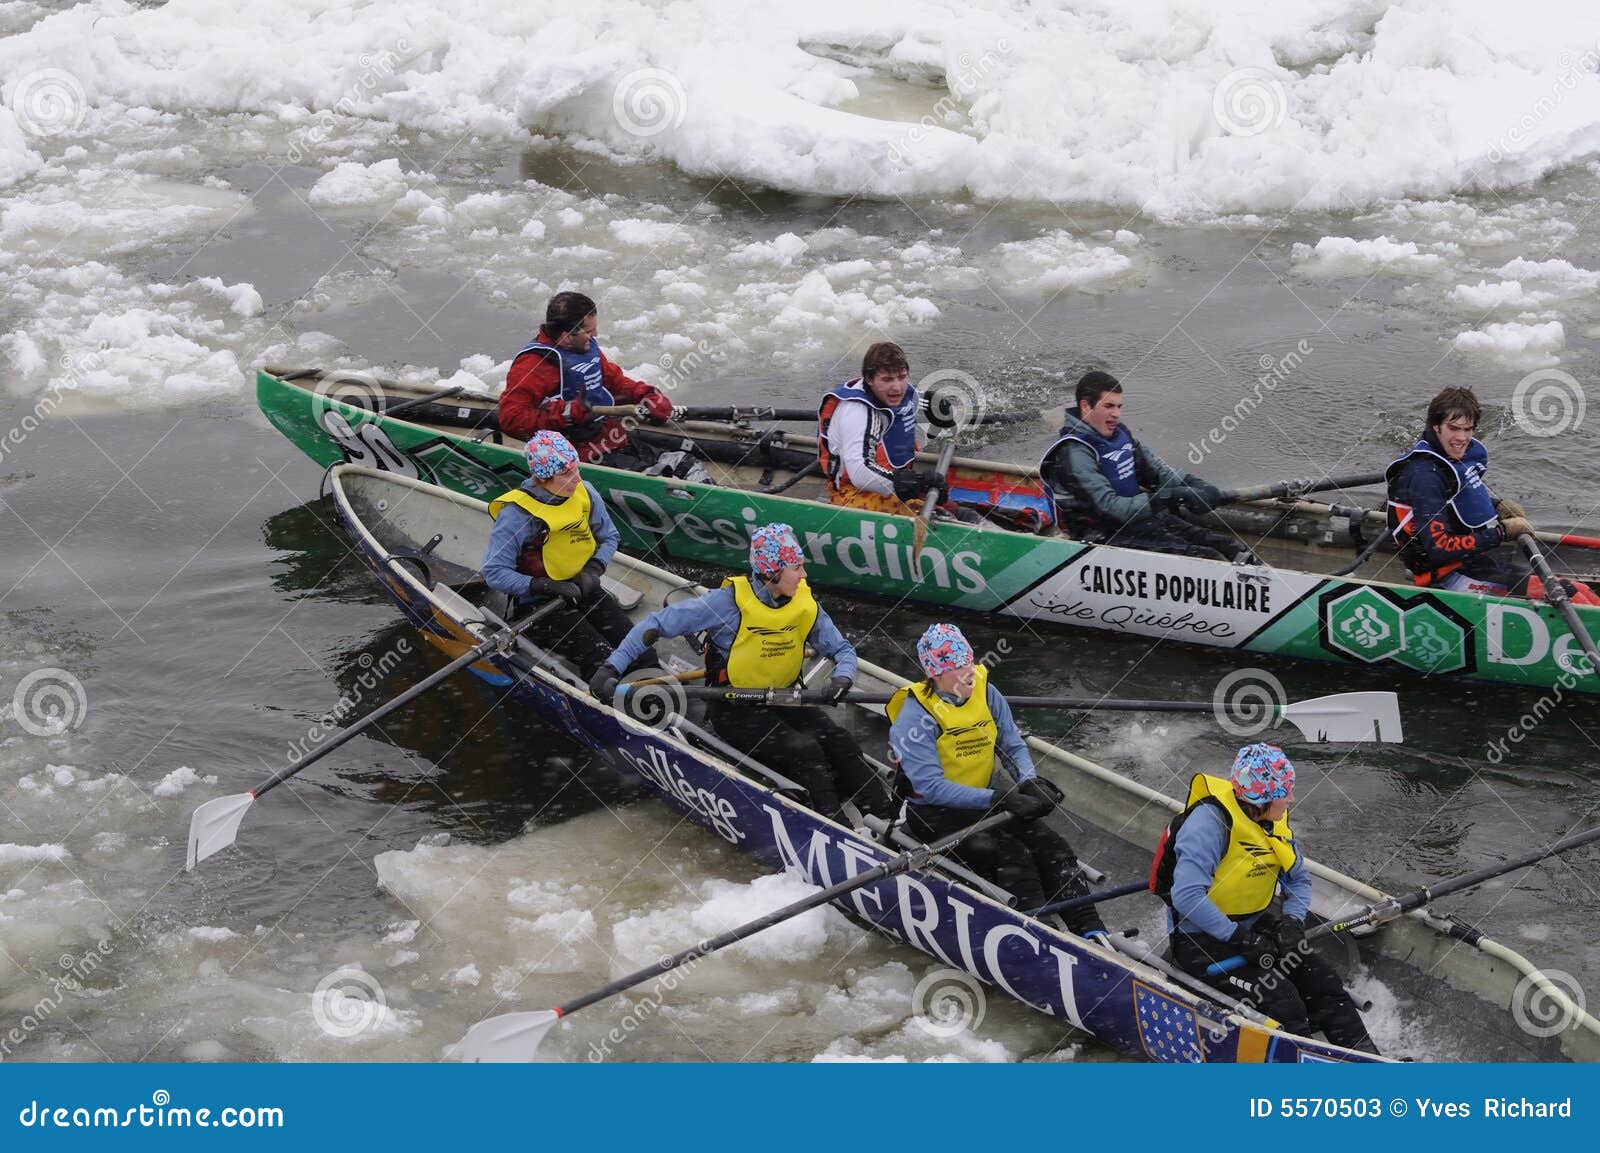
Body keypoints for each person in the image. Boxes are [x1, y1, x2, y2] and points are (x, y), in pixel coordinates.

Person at [591, 523, 897, 823]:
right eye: (796, 568)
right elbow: (653, 625)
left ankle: (886, 819)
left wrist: (842, 678)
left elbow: (842, 650)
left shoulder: (804, 602)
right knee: (804, 750)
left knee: (840, 740)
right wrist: (611, 667)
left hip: (785, 697)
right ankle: (837, 826)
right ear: (770, 573)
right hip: (733, 707)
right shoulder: (724, 604)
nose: (804, 575)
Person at [1151, 743, 1377, 1053]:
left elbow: (1298, 880)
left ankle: (1368, 1060)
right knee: (1282, 1000)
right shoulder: (1208, 824)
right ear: (1262, 798)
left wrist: (1292, 922)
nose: (1291, 799)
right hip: (1199, 939)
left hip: (1255, 928)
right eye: (1286, 793)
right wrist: (1240, 938)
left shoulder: (1273, 820)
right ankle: (1305, 1065)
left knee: (1323, 982)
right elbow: (1187, 896)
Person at [886, 623, 1108, 938]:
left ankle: (1090, 929)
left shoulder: (985, 689)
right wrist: (996, 799)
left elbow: (1011, 743)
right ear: (934, 674)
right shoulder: (914, 718)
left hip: (984, 801)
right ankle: (1038, 930)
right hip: (935, 813)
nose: (966, 675)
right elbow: (931, 787)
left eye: (968, 665)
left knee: (1053, 846)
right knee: (1010, 854)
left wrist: (1028, 781)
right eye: (955, 670)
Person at [482, 431, 657, 679]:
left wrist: (594, 569)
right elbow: (494, 572)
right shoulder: (517, 515)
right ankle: (609, 702)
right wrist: (542, 585)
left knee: (641, 650)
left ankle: (655, 693)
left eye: (576, 469)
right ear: (542, 477)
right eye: (566, 473)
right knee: (602, 661)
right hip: (539, 605)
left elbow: (609, 537)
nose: (576, 479)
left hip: (582, 588)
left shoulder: (584, 491)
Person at [1040, 370, 1250, 562]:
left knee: (1230, 547)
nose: (1116, 414)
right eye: (1109, 406)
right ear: (1086, 406)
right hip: (1101, 534)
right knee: (1209, 558)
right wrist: (1170, 496)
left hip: (1139, 520)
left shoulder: (1119, 435)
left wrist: (1195, 484)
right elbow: (1111, 508)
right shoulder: (1073, 454)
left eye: (1119, 406)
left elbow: (1156, 472)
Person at [1384, 386, 1564, 599]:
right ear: (1436, 426)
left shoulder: (1445, 460)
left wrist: (1498, 506)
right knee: (1573, 594)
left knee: (1580, 592)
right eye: (1453, 428)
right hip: (1445, 579)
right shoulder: (1425, 476)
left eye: (1468, 429)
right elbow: (1439, 547)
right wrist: (1502, 533)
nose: (1461, 437)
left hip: (1470, 563)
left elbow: (1455, 502)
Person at [499, 291, 682, 472]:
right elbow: (511, 419)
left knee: (684, 463)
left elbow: (613, 381)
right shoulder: (533, 365)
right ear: (567, 335)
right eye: (588, 331)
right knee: (656, 477)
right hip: (576, 457)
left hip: (609, 438)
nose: (595, 334)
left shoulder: (585, 346)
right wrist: (567, 413)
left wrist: (646, 394)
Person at [817, 341, 946, 514]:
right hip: (853, 494)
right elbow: (860, 473)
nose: (897, 387)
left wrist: (935, 403)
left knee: (955, 510)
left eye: (902, 377)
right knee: (942, 515)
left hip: (891, 482)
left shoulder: (895, 392)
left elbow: (911, 395)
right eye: (887, 379)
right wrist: (916, 483)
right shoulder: (857, 413)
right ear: (869, 379)